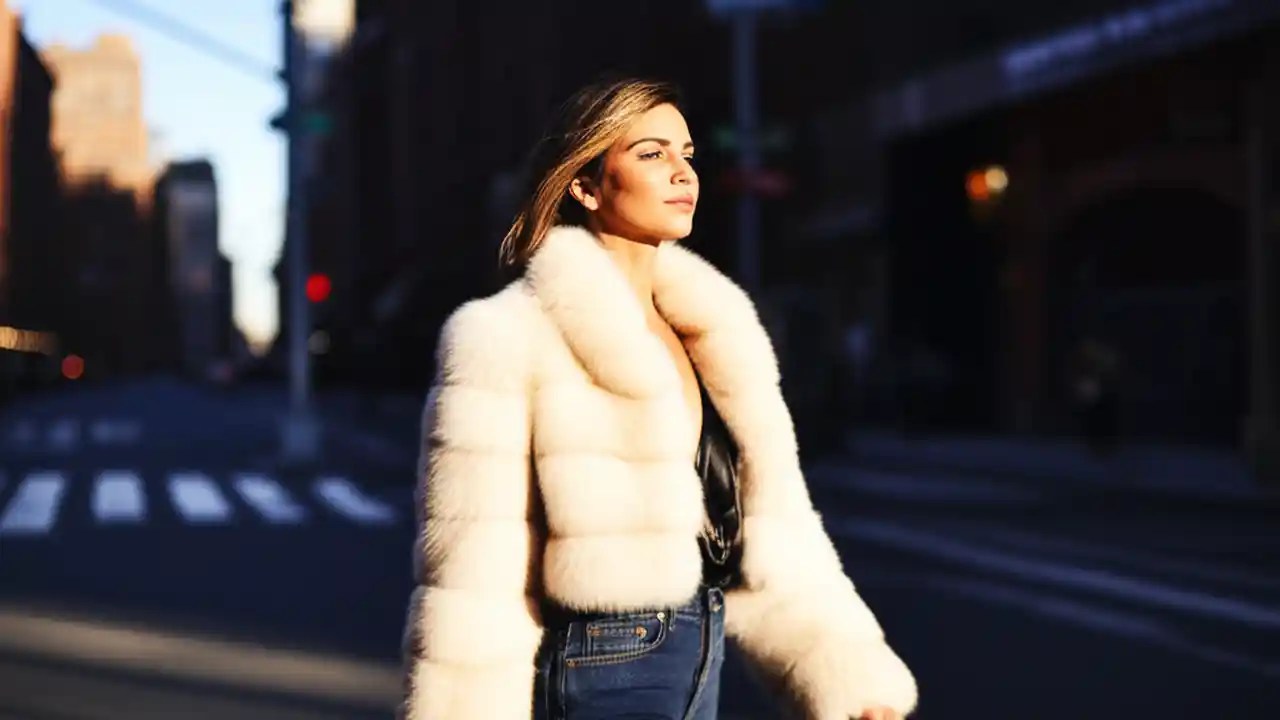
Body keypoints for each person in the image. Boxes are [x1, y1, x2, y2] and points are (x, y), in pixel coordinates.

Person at [398, 77, 917, 720]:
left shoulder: (720, 334)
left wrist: (849, 680)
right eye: (651, 154)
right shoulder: (504, 335)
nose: (682, 172)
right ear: (585, 186)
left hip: (700, 652)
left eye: (688, 153)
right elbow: (474, 575)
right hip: (601, 666)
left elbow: (779, 533)